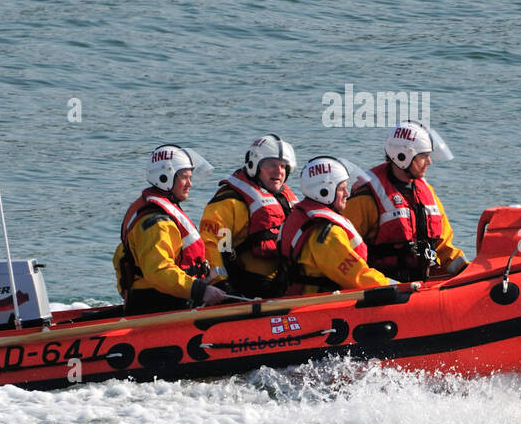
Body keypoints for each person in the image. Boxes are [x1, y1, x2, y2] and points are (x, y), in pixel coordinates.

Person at [345, 120, 469, 281]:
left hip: (419, 284)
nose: (429, 162)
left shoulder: (427, 192)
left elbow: (443, 246)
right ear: (403, 157)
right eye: (424, 157)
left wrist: (466, 269)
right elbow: (346, 251)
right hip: (383, 288)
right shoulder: (367, 197)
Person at [113, 144, 229, 315]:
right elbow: (159, 271)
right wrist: (199, 290)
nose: (190, 184)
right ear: (165, 177)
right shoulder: (156, 223)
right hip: (157, 305)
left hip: (168, 301)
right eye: (184, 177)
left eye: (190, 177)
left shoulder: (159, 214)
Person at [200, 134, 298, 298]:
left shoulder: (284, 199)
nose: (279, 171)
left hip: (282, 282)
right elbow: (213, 244)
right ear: (254, 165)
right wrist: (221, 285)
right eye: (271, 165)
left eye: (283, 166)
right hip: (247, 287)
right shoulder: (229, 202)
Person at [278, 156, 392, 295]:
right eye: (342, 189)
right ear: (324, 192)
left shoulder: (299, 215)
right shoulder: (328, 235)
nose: (347, 194)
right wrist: (395, 285)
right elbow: (357, 277)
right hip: (318, 304)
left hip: (300, 295)